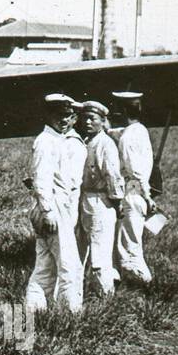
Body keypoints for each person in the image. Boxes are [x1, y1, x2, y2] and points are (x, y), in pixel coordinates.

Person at [25, 94, 86, 313]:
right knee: (69, 265)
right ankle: (70, 313)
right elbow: (41, 179)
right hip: (53, 206)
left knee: (45, 264)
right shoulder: (46, 141)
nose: (64, 121)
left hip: (56, 206)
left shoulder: (57, 140)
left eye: (68, 116)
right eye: (59, 115)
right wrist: (48, 212)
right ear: (49, 115)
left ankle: (35, 310)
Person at [76, 100, 125, 295]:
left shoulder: (106, 144)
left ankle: (105, 295)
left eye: (92, 118)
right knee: (84, 247)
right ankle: (85, 290)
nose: (87, 122)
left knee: (101, 252)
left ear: (103, 121)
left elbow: (112, 175)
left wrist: (117, 201)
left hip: (101, 200)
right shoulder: (87, 142)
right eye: (84, 118)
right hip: (85, 199)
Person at [112, 91, 154, 284]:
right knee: (130, 237)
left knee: (129, 243)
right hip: (139, 191)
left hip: (133, 190)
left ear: (121, 111)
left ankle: (144, 282)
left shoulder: (127, 138)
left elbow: (134, 170)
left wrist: (146, 196)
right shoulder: (140, 130)